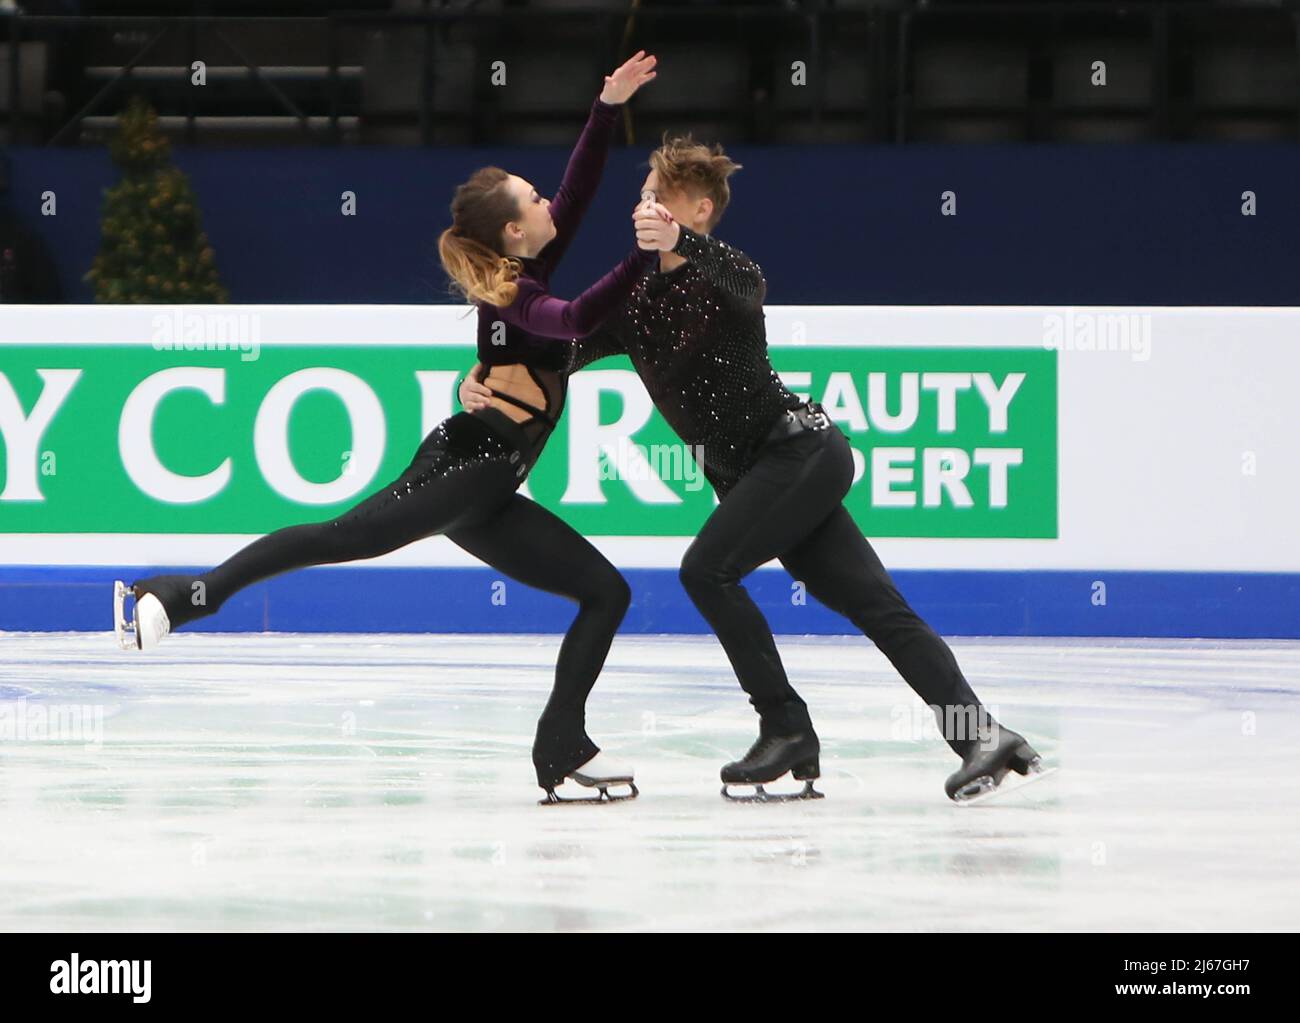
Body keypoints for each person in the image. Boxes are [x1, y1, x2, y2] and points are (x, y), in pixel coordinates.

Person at [116, 51, 660, 805]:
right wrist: (644, 255)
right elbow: (570, 319)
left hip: (494, 491)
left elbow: (581, 186)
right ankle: (187, 595)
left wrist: (606, 104)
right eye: (534, 198)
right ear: (513, 229)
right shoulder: (514, 296)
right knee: (348, 536)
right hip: (468, 463)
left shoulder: (523, 265)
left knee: (606, 592)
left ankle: (561, 745)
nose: (549, 202)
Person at [461, 134, 1047, 804]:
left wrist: (682, 243)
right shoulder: (629, 298)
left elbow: (744, 282)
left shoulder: (728, 272)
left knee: (706, 570)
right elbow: (548, 354)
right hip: (762, 477)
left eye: (663, 199)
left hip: (800, 451)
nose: (645, 206)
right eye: (642, 195)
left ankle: (786, 726)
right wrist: (480, 377)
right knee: (876, 605)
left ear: (700, 211)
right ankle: (981, 734)